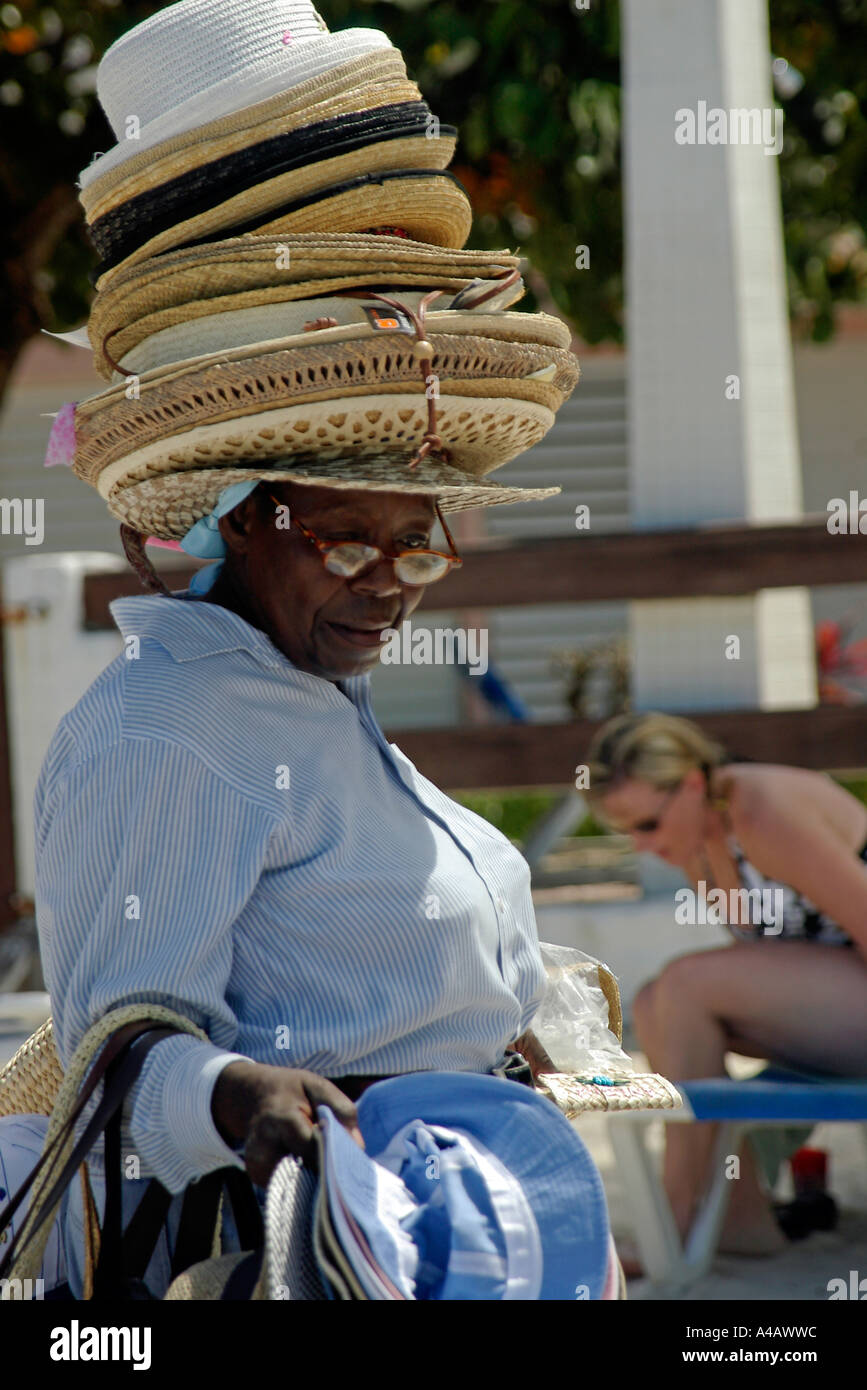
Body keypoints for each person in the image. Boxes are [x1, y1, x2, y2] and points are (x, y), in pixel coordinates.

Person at [34, 477, 554, 1297]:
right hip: (304, 1229)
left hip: (449, 1200)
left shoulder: (307, 684)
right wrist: (234, 1095)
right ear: (245, 521)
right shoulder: (170, 725)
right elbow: (114, 1051)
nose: (385, 583)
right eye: (345, 545)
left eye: (415, 547)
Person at [585, 712, 867, 1261]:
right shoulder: (702, 840)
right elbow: (767, 970)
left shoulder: (764, 812)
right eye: (627, 833)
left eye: (648, 824)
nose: (642, 846)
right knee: (655, 1002)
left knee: (685, 986)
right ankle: (737, 1218)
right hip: (844, 1005)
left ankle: (677, 1219)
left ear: (692, 783)